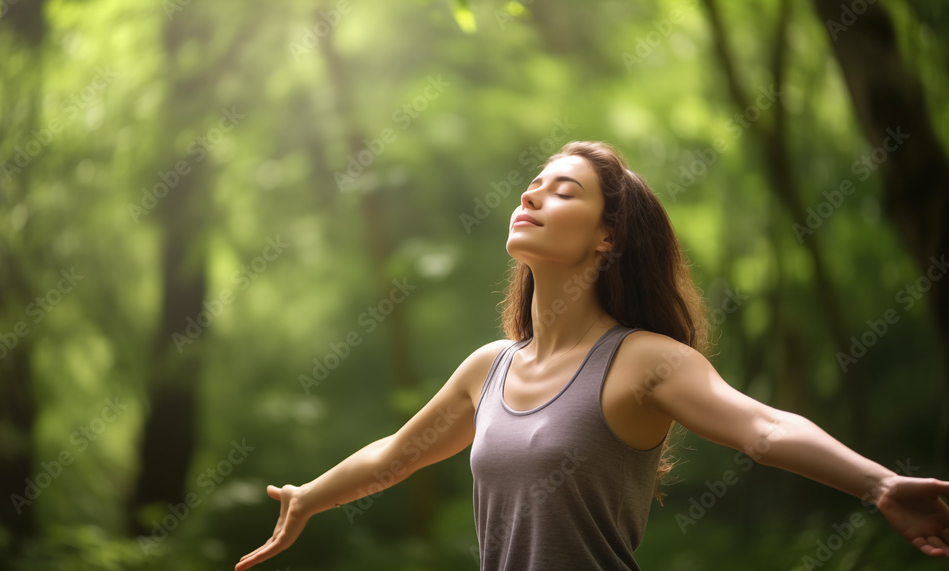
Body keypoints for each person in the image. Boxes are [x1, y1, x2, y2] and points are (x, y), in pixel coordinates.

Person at [236, 141, 949, 570]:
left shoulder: (642, 360)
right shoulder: (489, 368)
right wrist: (309, 497)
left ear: (608, 236)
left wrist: (881, 484)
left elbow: (762, 426)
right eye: (534, 183)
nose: (533, 193)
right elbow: (395, 455)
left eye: (564, 190)